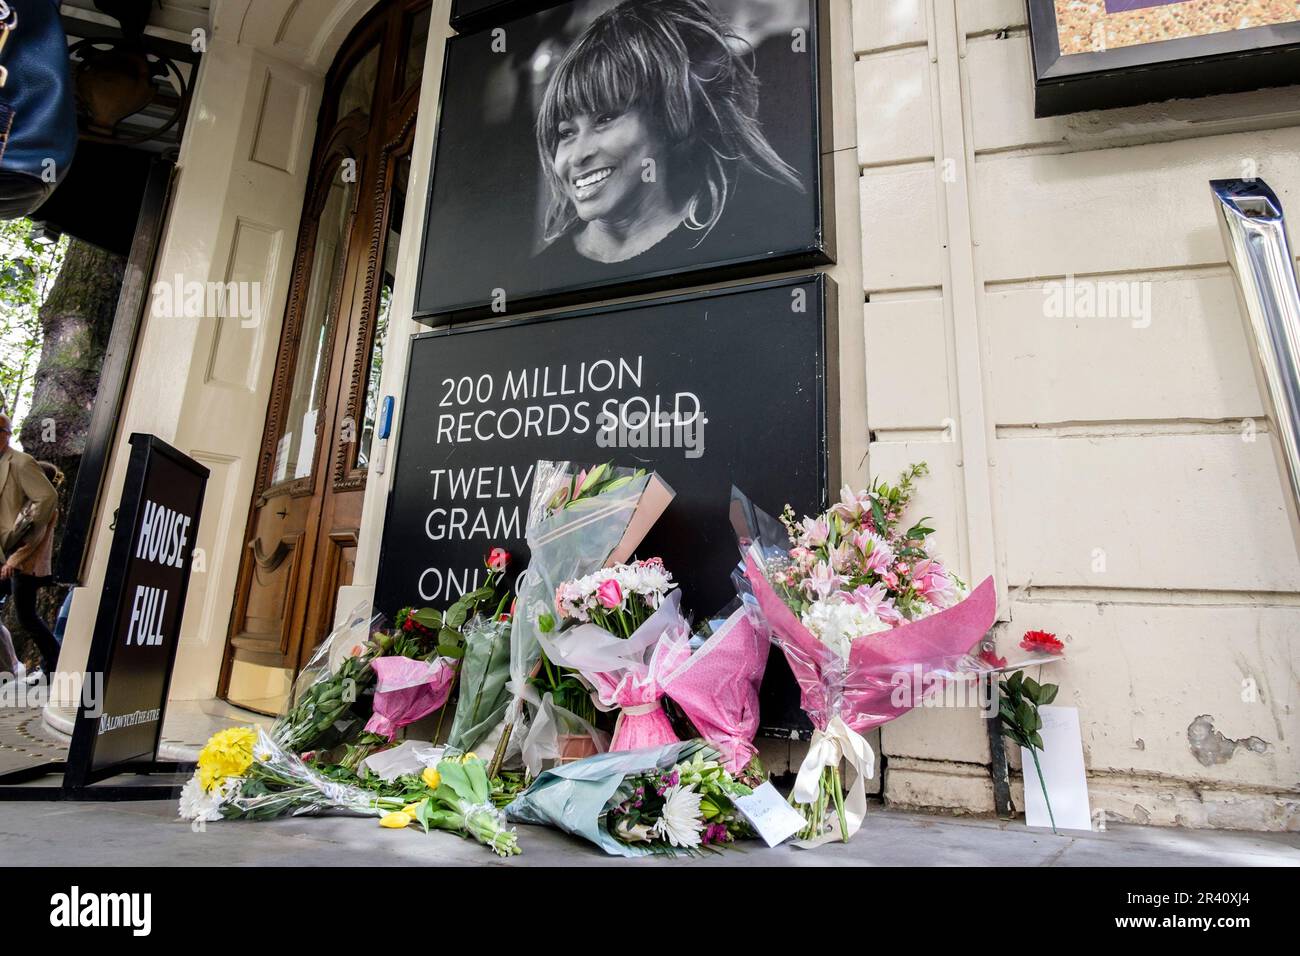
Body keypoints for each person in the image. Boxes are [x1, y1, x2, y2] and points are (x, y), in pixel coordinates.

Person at [533, 0, 804, 269]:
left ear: (668, 116)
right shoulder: (543, 275)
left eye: (605, 119)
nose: (578, 156)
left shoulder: (758, 236)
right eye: (566, 133)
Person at [0, 414, 59, 680]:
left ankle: (54, 665)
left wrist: (16, 558)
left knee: (27, 618)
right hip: (12, 559)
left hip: (24, 563)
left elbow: (37, 527)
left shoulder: (23, 466)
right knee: (25, 617)